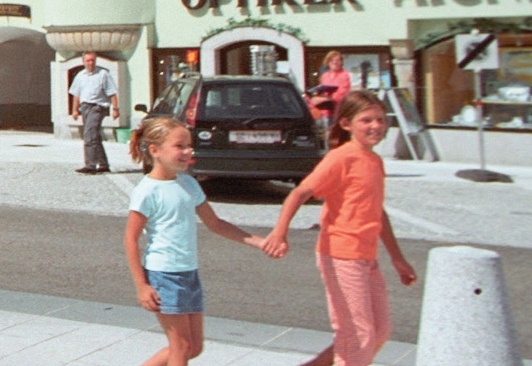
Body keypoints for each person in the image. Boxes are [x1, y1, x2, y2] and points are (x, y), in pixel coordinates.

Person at [263, 91, 418, 366]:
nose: (376, 126)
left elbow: (376, 212)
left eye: (380, 120)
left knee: (378, 332)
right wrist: (279, 232)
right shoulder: (341, 157)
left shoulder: (374, 161)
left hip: (366, 258)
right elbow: (300, 192)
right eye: (366, 120)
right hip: (340, 255)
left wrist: (397, 257)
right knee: (357, 336)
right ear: (346, 124)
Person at [123, 115, 263, 365]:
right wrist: (141, 285)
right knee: (181, 346)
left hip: (188, 273)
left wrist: (258, 241)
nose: (188, 151)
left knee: (194, 347)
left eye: (189, 145)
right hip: (163, 274)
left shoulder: (188, 184)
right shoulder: (147, 191)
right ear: (155, 150)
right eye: (180, 146)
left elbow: (215, 224)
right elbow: (130, 239)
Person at [69, 51, 120, 174]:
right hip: (85, 107)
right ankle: (103, 164)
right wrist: (74, 110)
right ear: (83, 62)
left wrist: (115, 109)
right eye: (88, 60)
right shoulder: (80, 76)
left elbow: (112, 92)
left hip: (97, 107)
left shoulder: (103, 74)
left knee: (89, 134)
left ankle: (90, 165)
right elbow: (76, 94)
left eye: (92, 60)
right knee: (95, 136)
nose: (90, 63)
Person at [313, 51, 353, 123]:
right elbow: (322, 91)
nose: (335, 62)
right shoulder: (325, 76)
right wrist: (316, 97)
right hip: (325, 112)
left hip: (339, 111)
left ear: (341, 62)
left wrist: (327, 99)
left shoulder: (344, 75)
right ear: (327, 62)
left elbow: (342, 93)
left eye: (338, 60)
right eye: (332, 60)